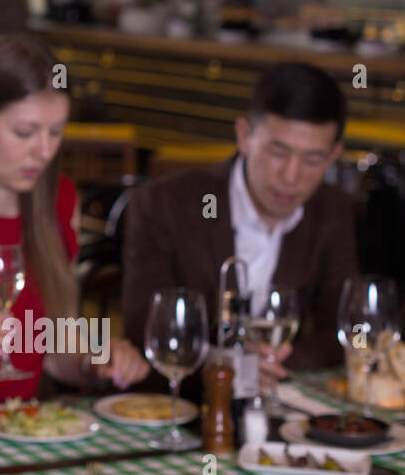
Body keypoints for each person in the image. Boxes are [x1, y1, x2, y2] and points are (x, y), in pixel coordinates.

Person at [0, 34, 148, 411]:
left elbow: (49, 347)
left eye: (55, 132)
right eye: (25, 133)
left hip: (21, 428)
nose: (46, 151)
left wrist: (95, 360)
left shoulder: (60, 199)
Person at [122, 62, 359, 389]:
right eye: (278, 151)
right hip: (182, 404)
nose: (291, 177)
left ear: (334, 156)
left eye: (313, 159)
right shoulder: (165, 205)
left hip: (280, 403)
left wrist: (275, 364)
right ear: (244, 136)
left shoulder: (333, 211)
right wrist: (229, 364)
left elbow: (344, 329)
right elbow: (145, 328)